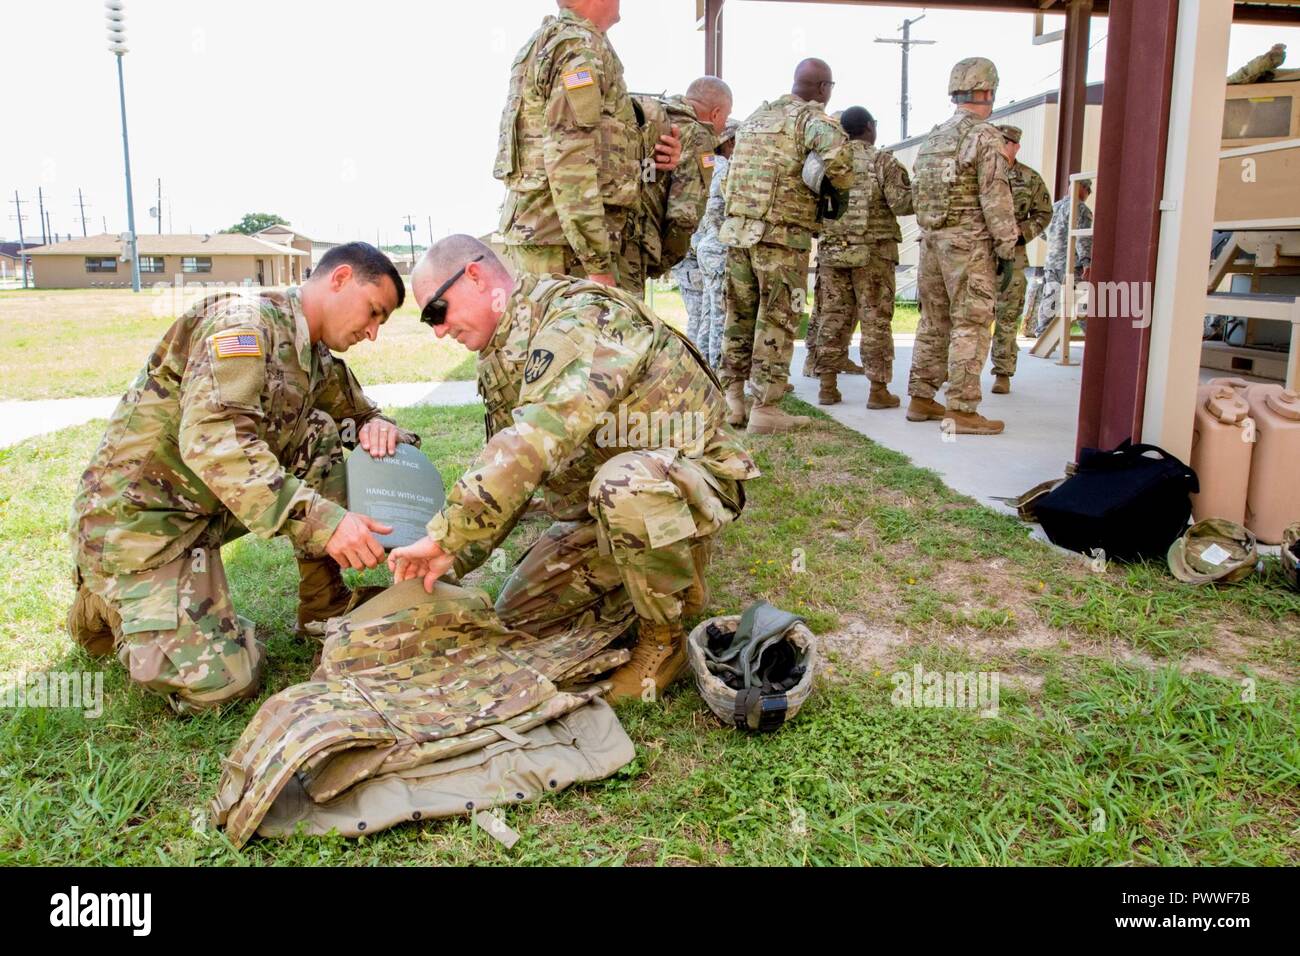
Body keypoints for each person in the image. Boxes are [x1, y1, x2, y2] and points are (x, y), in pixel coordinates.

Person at [390, 236, 760, 701]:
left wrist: (447, 533)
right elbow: (514, 475)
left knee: (623, 487)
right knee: (519, 617)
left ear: (475, 276)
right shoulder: (502, 355)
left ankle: (663, 641)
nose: (438, 332)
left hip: (684, 486)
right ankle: (637, 578)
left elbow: (533, 441)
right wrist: (454, 558)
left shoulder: (578, 318)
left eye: (435, 312)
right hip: (599, 507)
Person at [66, 243, 416, 713]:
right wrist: (323, 521)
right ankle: (104, 602)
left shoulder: (313, 355)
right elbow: (215, 442)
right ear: (340, 278)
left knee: (320, 432)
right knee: (222, 685)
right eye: (373, 312)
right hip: (140, 524)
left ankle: (323, 606)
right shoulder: (243, 325)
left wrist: (379, 426)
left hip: (205, 509)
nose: (372, 332)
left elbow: (359, 414)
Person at [493, 0, 682, 290]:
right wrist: (597, 266)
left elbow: (592, 142)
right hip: (569, 248)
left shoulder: (560, 42)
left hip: (557, 237)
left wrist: (651, 158)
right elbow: (569, 160)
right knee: (589, 335)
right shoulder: (580, 49)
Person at [719, 58, 854, 434]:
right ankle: (766, 409)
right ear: (825, 89)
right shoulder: (810, 119)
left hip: (738, 232)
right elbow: (839, 158)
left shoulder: (756, 119)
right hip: (781, 236)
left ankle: (733, 398)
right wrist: (837, 194)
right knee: (777, 318)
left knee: (740, 316)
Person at [906, 56, 1018, 435]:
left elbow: (917, 192)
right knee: (971, 324)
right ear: (987, 91)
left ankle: (921, 398)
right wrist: (1007, 247)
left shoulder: (933, 137)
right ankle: (962, 408)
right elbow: (995, 196)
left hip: (932, 242)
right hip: (968, 245)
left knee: (933, 321)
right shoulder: (985, 136)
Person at [807, 106, 914, 408]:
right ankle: (878, 390)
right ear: (869, 126)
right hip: (873, 254)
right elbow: (902, 203)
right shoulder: (883, 161)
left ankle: (827, 386)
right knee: (875, 320)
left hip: (832, 253)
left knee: (832, 317)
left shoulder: (826, 163)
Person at [620, 77, 732, 294]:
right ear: (716, 113)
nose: (723, 126)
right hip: (634, 246)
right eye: (725, 118)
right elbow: (685, 215)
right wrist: (662, 262)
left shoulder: (650, 119)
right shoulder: (698, 136)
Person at [988, 124, 1052, 395]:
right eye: (997, 142)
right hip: (978, 253)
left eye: (1006, 142)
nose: (1001, 147)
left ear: (1016, 146)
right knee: (966, 315)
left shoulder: (1030, 178)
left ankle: (1002, 372)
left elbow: (1044, 213)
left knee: (1007, 315)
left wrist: (1022, 234)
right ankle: (952, 369)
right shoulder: (983, 173)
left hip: (1012, 257)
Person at [687, 123, 737, 367]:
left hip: (704, 245)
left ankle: (701, 364)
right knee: (720, 315)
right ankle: (717, 368)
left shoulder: (706, 165)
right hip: (718, 246)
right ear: (729, 143)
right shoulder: (725, 167)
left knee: (707, 312)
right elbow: (720, 209)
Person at [1034, 179, 1093, 336]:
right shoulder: (1081, 209)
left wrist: (1054, 241)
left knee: (1050, 299)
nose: (1088, 196)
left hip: (1052, 263)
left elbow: (1039, 230)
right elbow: (1083, 238)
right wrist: (1087, 262)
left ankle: (1041, 335)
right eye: (1088, 192)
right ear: (1083, 189)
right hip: (1071, 264)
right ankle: (1093, 339)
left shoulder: (1054, 207)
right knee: (1082, 300)